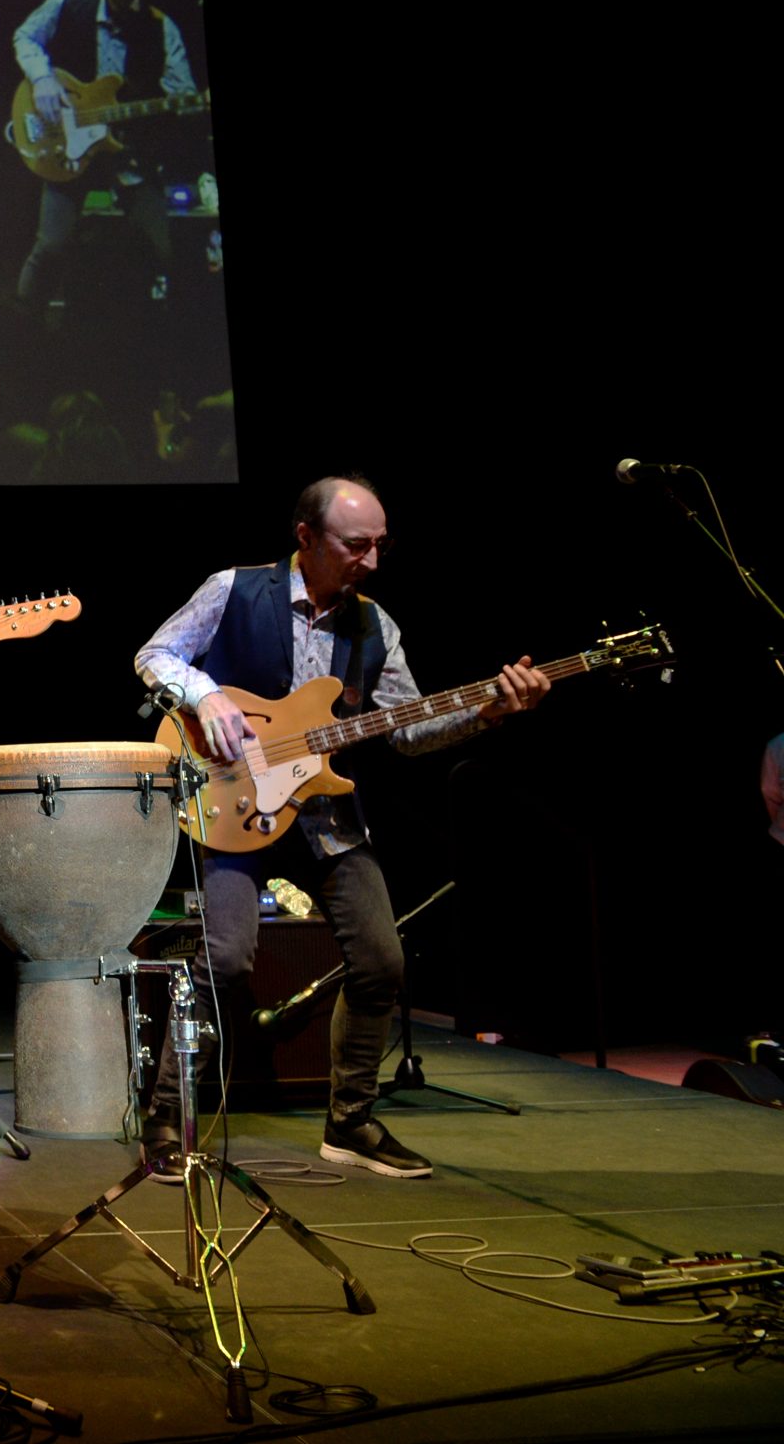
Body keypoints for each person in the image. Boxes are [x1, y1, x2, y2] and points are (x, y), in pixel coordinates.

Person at [134, 475, 551, 1181]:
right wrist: (206, 699)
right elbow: (155, 656)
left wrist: (489, 710)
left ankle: (350, 1121)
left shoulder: (375, 625)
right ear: (306, 538)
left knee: (382, 962)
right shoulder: (233, 589)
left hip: (323, 814)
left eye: (381, 546)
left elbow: (409, 730)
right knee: (228, 958)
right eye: (356, 545)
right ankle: (166, 1114)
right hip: (233, 802)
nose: (372, 561)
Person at [11, 0, 200, 307]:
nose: (134, 6)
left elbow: (182, 90)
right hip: (68, 145)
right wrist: (42, 80)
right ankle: (23, 327)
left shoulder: (162, 28)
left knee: (161, 248)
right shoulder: (67, 2)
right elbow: (25, 37)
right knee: (50, 248)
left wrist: (187, 106)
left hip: (129, 151)